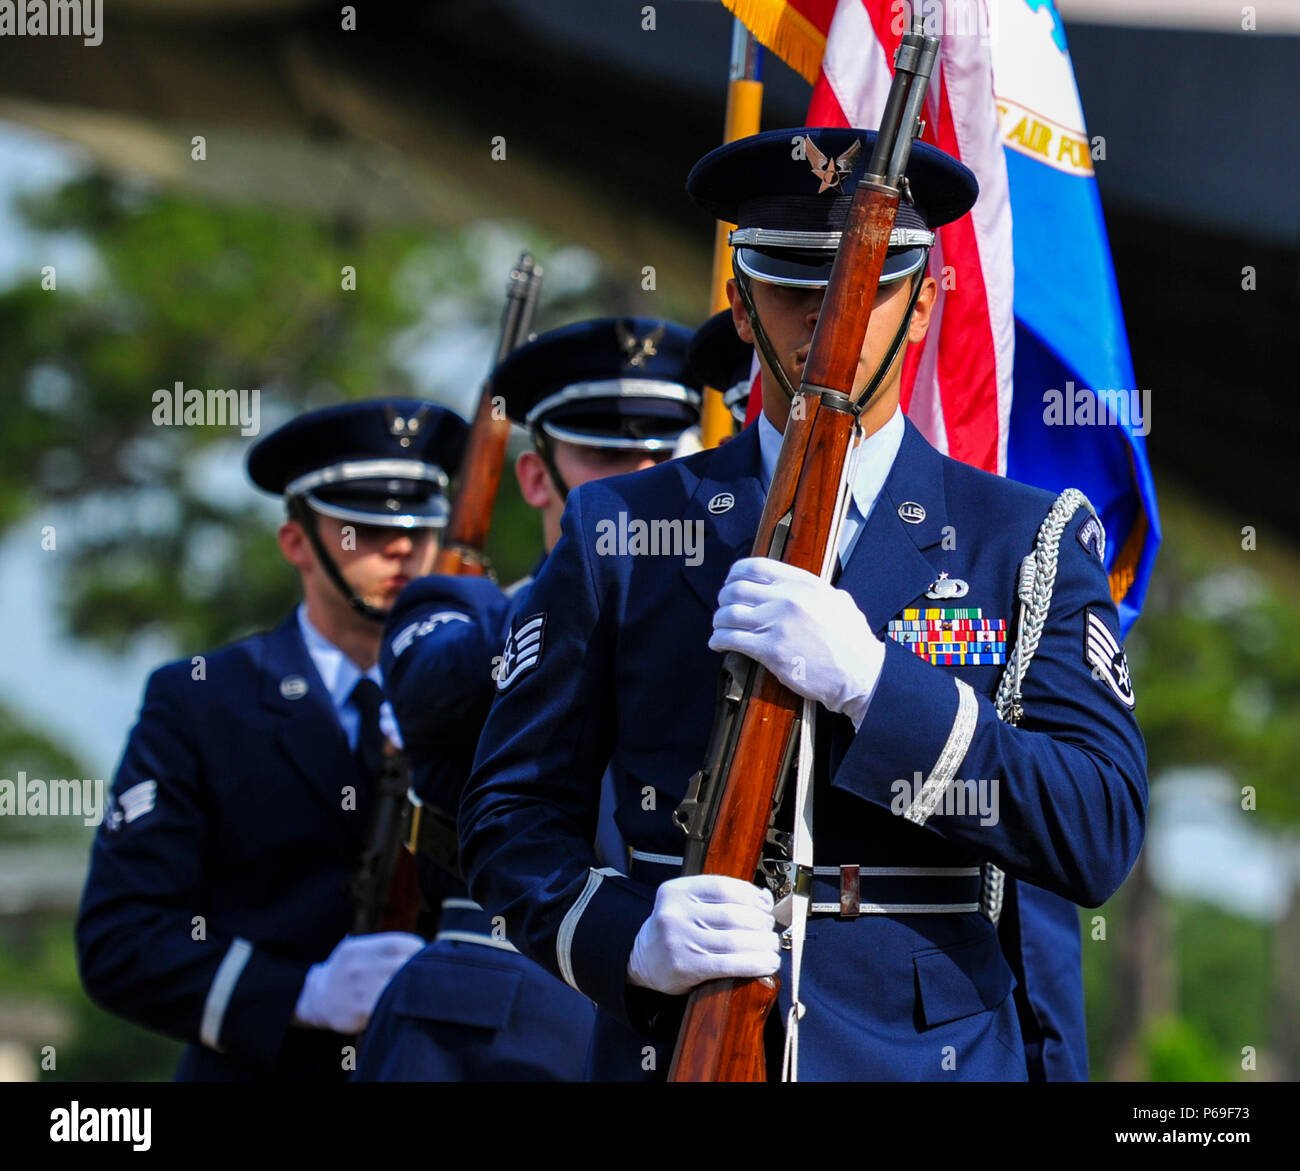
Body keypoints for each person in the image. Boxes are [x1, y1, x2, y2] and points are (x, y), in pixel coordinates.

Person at [458, 127, 1148, 1081]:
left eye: (869, 287)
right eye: (791, 285)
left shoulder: (1022, 540)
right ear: (739, 307)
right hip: (680, 1045)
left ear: (925, 305)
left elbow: (1095, 826)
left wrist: (878, 686)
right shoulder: (621, 526)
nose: (830, 317)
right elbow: (509, 815)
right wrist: (626, 939)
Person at [76, 399, 466, 1081]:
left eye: (420, 524)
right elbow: (123, 938)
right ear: (296, 542)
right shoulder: (201, 701)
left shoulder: (479, 693)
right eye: (364, 526)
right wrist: (301, 992)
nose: (401, 546)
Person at [354, 317, 702, 1081]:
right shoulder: (456, 609)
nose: (642, 471)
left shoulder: (712, 618)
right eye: (607, 453)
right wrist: (598, 575)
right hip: (492, 1014)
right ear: (537, 477)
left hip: (668, 1006)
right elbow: (432, 686)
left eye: (663, 450)